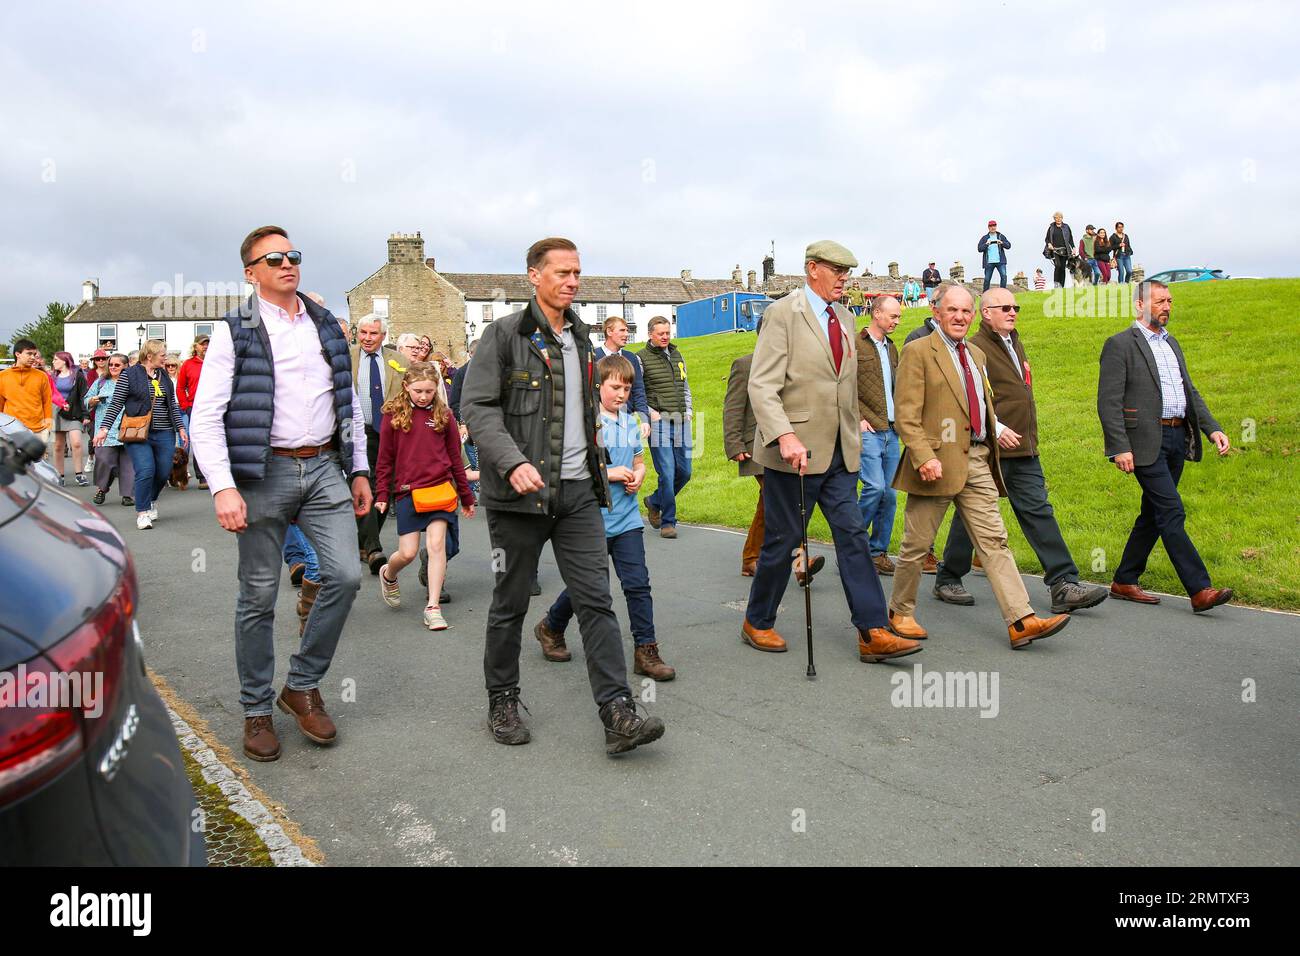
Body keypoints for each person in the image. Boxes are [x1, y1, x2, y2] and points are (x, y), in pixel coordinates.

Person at [461, 236, 665, 755]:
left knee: (597, 599)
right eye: (561, 273)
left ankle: (617, 710)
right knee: (509, 601)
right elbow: (479, 411)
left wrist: (618, 463)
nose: (572, 281)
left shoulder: (583, 339)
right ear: (534, 275)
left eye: (577, 273)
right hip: (519, 498)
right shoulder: (504, 335)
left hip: (578, 493)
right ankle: (502, 699)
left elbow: (583, 415)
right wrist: (513, 462)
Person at [189, 224, 372, 763]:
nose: (286, 264)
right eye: (272, 259)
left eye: (292, 255)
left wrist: (358, 469)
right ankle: (256, 710)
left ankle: (301, 685)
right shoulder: (234, 331)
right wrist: (222, 486)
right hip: (261, 473)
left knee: (344, 574)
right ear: (251, 273)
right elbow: (206, 417)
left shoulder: (326, 326)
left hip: (323, 468)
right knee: (259, 596)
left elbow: (349, 404)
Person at [741, 240, 921, 664]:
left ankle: (872, 630)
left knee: (853, 535)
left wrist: (855, 426)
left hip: (841, 452)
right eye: (837, 270)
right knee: (783, 541)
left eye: (848, 271)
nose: (845, 278)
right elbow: (761, 385)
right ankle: (757, 620)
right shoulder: (782, 313)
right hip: (794, 454)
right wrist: (783, 436)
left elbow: (845, 383)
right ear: (812, 269)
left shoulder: (844, 316)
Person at [888, 284, 1071, 649]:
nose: (959, 317)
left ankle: (1021, 619)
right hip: (935, 462)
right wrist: (924, 457)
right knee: (916, 544)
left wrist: (991, 441)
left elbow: (982, 406)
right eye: (952, 310)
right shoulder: (917, 351)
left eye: (966, 311)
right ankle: (900, 612)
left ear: (973, 316)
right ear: (936, 311)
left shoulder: (975, 354)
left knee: (994, 541)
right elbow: (906, 416)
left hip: (976, 460)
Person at [933, 288, 1109, 614]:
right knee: (972, 514)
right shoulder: (974, 349)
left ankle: (1063, 584)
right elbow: (968, 397)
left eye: (1016, 307)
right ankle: (948, 577)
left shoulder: (1014, 342)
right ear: (986, 313)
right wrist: (997, 428)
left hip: (1024, 448)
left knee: (1038, 512)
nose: (1013, 312)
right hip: (990, 448)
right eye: (1005, 308)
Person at [534, 353, 675, 680]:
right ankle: (551, 626)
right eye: (615, 387)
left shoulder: (629, 421)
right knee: (586, 587)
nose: (621, 394)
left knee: (638, 584)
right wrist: (610, 473)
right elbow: (574, 467)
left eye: (627, 388)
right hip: (590, 519)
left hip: (626, 520)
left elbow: (638, 460)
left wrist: (639, 475)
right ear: (598, 386)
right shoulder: (586, 423)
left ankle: (646, 650)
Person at [1097, 280, 1233, 613]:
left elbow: (1191, 393)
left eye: (1170, 300)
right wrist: (1119, 446)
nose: (1167, 306)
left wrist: (1211, 429)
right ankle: (1200, 589)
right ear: (1139, 305)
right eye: (1160, 301)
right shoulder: (1119, 345)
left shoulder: (1173, 345)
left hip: (1176, 438)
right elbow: (1108, 401)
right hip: (1144, 441)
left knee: (1153, 512)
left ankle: (1124, 579)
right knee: (1172, 510)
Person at [374, 362, 475, 631]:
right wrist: (382, 493)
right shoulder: (393, 415)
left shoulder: (444, 415)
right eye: (418, 390)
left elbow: (456, 459)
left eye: (429, 391)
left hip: (441, 489)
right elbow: (385, 459)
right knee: (406, 553)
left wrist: (466, 497)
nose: (423, 396)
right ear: (406, 386)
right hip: (408, 491)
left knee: (437, 545)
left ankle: (433, 607)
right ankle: (389, 573)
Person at [94, 339, 186, 528]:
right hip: (137, 432)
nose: (165, 359)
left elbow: (172, 405)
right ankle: (142, 512)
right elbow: (116, 403)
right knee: (145, 470)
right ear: (150, 356)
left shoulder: (163, 376)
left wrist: (181, 428)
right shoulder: (129, 375)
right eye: (162, 355)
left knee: (162, 472)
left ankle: (151, 498)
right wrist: (104, 429)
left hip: (165, 432)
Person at [351, 313, 404, 575]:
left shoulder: (398, 361)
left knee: (388, 487)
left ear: (383, 336)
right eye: (363, 333)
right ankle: (373, 548)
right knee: (366, 486)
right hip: (358, 433)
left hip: (390, 432)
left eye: (373, 333)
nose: (367, 338)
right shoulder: (347, 358)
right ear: (356, 333)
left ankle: (365, 543)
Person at [856, 294, 902, 576]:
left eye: (898, 317)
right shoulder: (855, 345)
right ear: (876, 314)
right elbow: (842, 384)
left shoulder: (892, 348)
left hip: (892, 430)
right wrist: (856, 417)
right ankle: (852, 547)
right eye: (893, 316)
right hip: (867, 429)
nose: (897, 321)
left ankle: (877, 552)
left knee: (891, 495)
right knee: (875, 487)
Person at [640, 315, 693, 539]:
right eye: (661, 333)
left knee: (685, 472)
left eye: (668, 332)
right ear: (650, 334)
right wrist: (648, 414)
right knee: (668, 472)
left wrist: (689, 410)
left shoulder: (677, 354)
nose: (665, 336)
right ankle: (668, 522)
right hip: (659, 423)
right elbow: (637, 392)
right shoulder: (640, 358)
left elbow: (685, 385)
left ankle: (654, 500)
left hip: (682, 422)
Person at [85, 353, 135, 506]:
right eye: (111, 364)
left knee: (128, 462)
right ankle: (102, 488)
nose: (113, 367)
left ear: (126, 366)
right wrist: (91, 401)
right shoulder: (101, 382)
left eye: (117, 365)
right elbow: (86, 399)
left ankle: (128, 494)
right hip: (105, 429)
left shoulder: (132, 382)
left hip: (127, 427)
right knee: (105, 460)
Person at [593, 315, 651, 439]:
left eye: (627, 330)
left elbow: (638, 389)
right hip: (600, 422)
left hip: (627, 420)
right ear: (609, 331)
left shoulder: (631, 358)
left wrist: (644, 418)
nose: (626, 334)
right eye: (622, 330)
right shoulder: (593, 357)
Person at [49, 351, 90, 486]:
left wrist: (86, 415)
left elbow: (83, 395)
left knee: (77, 443)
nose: (53, 362)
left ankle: (79, 474)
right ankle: (59, 475)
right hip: (56, 411)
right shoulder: (52, 376)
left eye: (56, 359)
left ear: (64, 360)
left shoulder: (77, 375)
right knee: (58, 445)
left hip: (73, 412)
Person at [177, 335, 209, 488]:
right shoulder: (188, 364)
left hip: (215, 405)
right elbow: (180, 387)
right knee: (199, 440)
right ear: (195, 346)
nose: (206, 347)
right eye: (203, 344)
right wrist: (185, 405)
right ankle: (202, 477)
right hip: (195, 406)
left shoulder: (216, 361)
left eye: (208, 344)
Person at [978, 219, 1011, 291]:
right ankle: (985, 294)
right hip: (989, 262)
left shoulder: (1001, 236)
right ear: (988, 227)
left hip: (1000, 261)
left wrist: (1002, 242)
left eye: (994, 226)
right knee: (987, 279)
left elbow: (1008, 246)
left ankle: (1002, 292)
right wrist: (986, 244)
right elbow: (979, 249)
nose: (993, 227)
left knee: (1004, 276)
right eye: (991, 226)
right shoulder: (984, 238)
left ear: (996, 226)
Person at [1043, 212, 1075, 288]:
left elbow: (1070, 238)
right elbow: (1047, 239)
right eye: (1056, 218)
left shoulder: (1066, 227)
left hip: (1065, 250)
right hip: (1054, 250)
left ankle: (1062, 286)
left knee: (1063, 268)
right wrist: (1049, 244)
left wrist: (1073, 247)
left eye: (1060, 217)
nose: (1058, 219)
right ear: (1054, 219)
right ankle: (1056, 285)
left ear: (1062, 218)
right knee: (1058, 266)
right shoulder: (1051, 227)